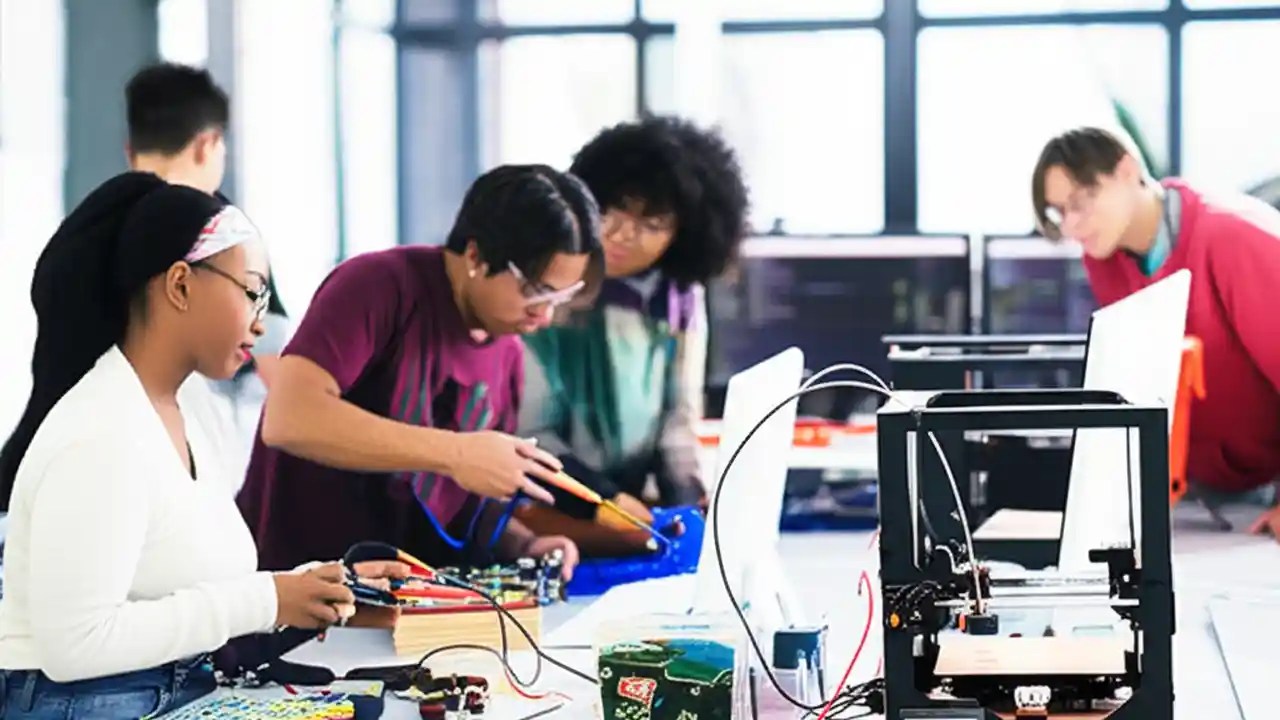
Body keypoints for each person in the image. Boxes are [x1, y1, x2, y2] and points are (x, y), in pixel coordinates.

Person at [0, 174, 400, 717]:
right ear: (181, 285)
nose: (262, 323)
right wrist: (266, 599)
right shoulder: (100, 433)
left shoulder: (186, 410)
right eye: (252, 290)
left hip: (165, 690)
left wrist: (311, 588)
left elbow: (189, 587)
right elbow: (76, 644)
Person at [236, 164, 604, 576]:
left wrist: (526, 544)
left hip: (408, 608)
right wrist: (457, 452)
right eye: (535, 291)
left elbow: (456, 505)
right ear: (476, 256)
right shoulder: (378, 286)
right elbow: (290, 419)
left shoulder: (508, 356)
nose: (545, 315)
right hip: (299, 595)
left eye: (562, 296)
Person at [515, 117, 750, 555]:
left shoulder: (679, 297)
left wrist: (691, 503)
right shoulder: (548, 285)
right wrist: (604, 501)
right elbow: (531, 434)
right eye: (613, 209)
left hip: (626, 507)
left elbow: (677, 425)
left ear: (683, 234)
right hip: (542, 506)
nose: (623, 233)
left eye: (652, 222)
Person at [1031, 126, 1280, 537]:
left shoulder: (1232, 235)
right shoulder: (1107, 258)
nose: (1073, 226)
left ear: (1127, 171)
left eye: (1082, 202)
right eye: (1060, 212)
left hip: (1264, 488)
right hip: (1206, 496)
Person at [125, 61, 291, 487]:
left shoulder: (94, 232)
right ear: (207, 144)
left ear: (130, 150)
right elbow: (279, 371)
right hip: (199, 461)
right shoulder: (228, 238)